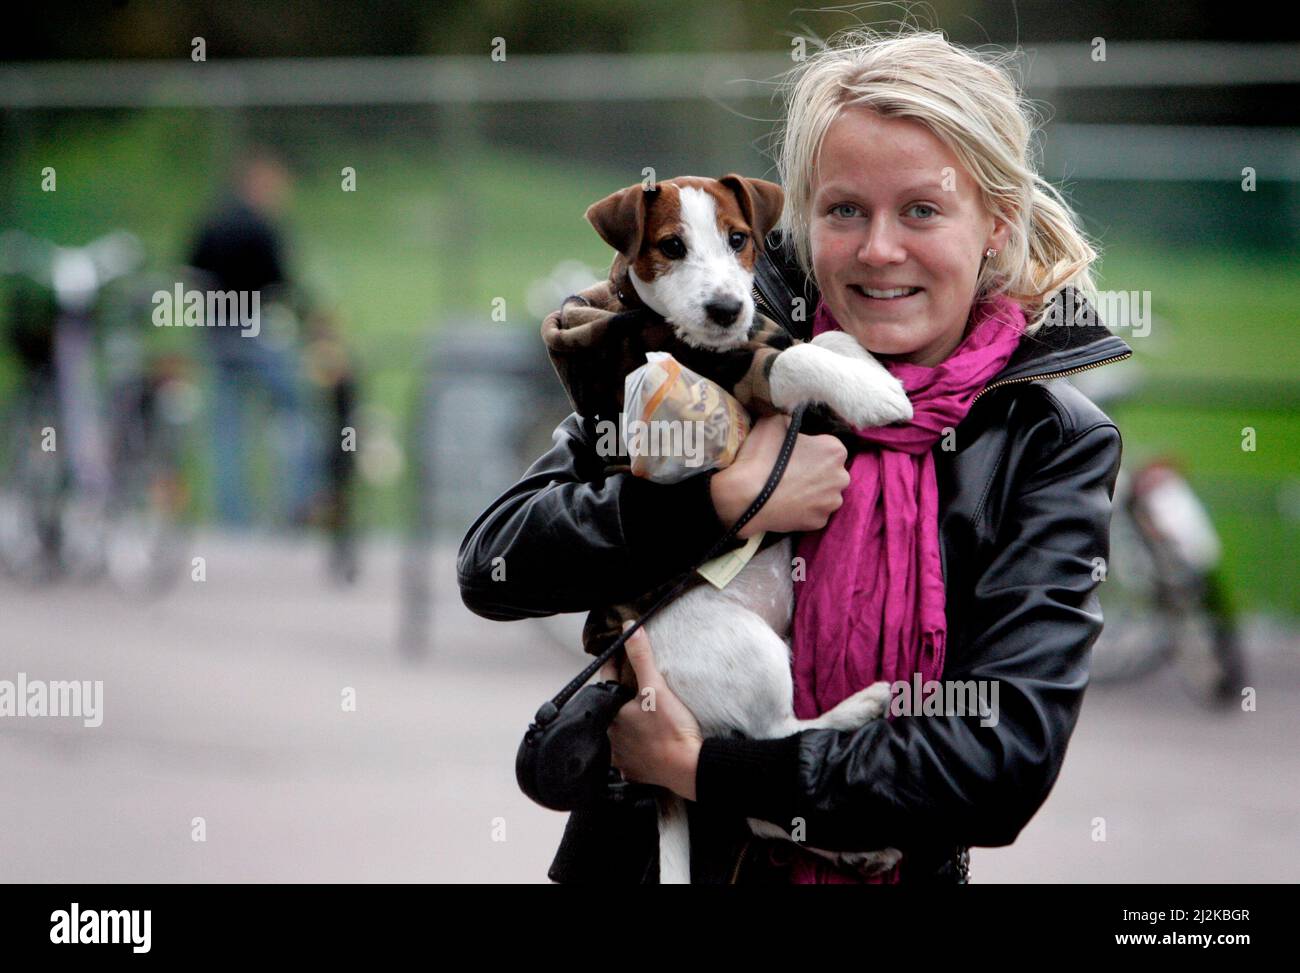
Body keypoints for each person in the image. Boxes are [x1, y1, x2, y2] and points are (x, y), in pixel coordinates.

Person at [458, 27, 1132, 884]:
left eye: (921, 209)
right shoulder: (711, 353)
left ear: (995, 227)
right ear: (804, 218)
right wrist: (721, 501)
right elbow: (496, 565)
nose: (878, 249)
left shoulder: (1043, 440)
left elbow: (998, 764)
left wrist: (704, 769)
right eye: (845, 209)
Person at [188, 148, 315, 527]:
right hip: (254, 331)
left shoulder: (212, 222)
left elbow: (192, 272)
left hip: (217, 333)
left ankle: (234, 516)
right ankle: (298, 502)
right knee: (294, 411)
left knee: (228, 427)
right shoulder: (262, 227)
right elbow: (281, 283)